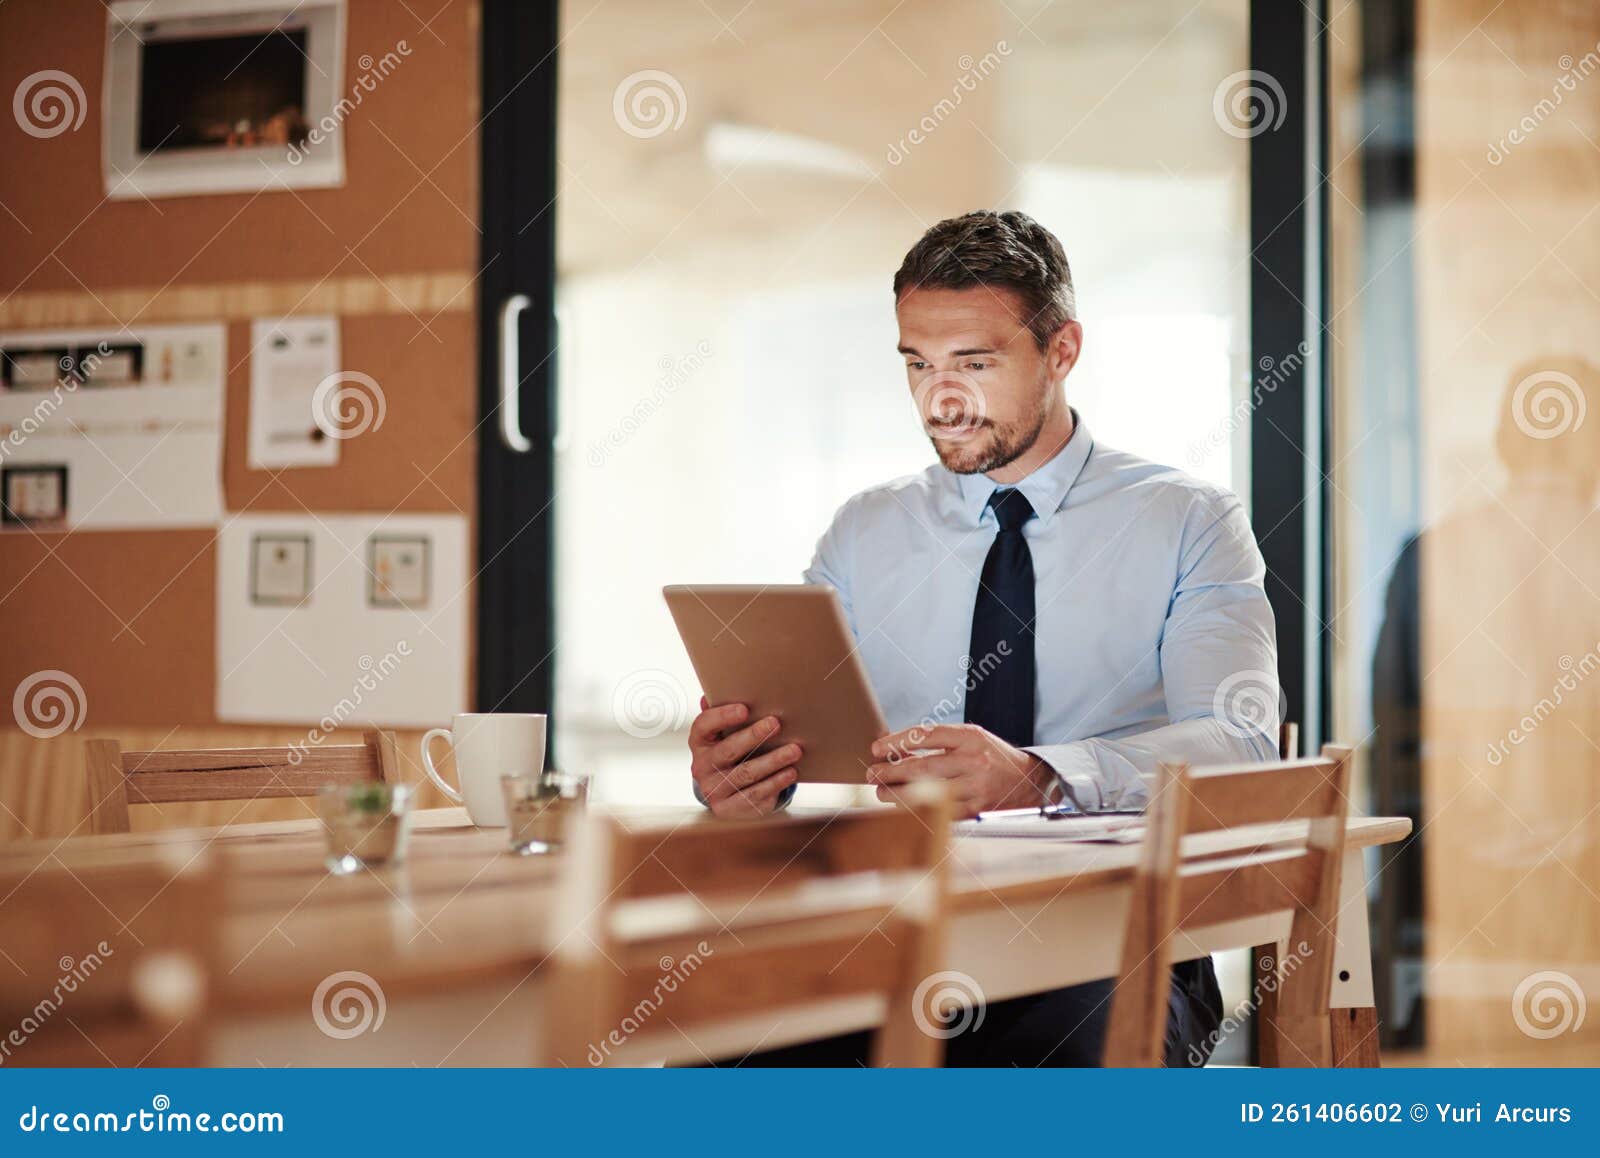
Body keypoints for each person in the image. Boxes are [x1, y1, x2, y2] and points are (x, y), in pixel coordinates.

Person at [687, 209, 1279, 1066]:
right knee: (713, 1050)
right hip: (893, 932)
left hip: (1114, 940)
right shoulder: (864, 531)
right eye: (918, 365)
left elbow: (1244, 741)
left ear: (1062, 351)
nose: (942, 400)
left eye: (975, 363)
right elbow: (808, 730)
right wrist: (744, 780)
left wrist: (1039, 775)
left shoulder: (1188, 521)